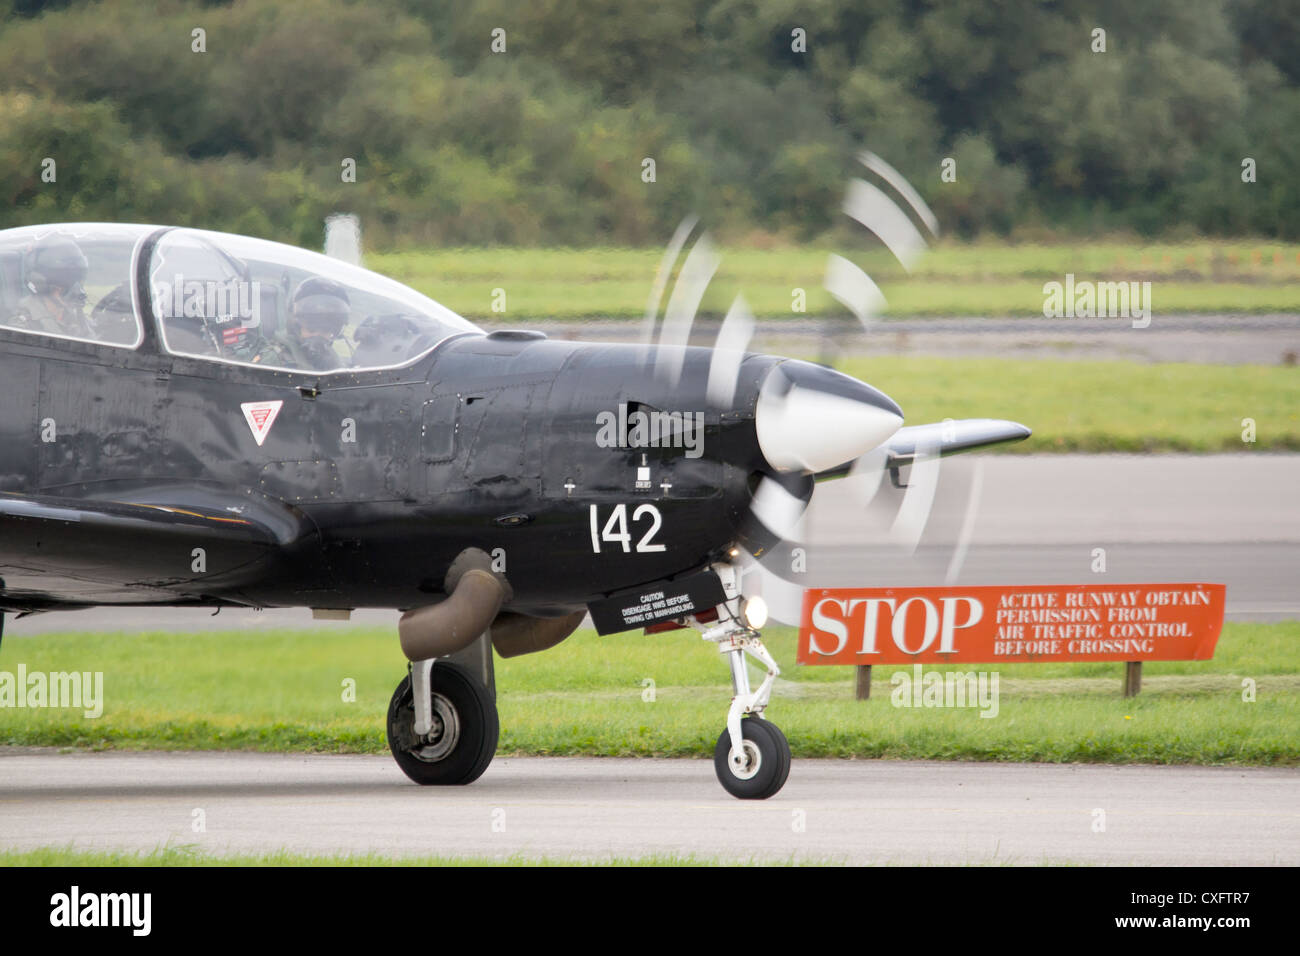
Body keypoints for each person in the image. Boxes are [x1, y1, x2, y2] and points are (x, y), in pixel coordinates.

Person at [9, 235, 94, 339]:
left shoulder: (79, 320)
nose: (76, 289)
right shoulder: (22, 328)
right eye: (67, 283)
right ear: (41, 284)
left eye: (78, 281)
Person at [270, 276, 350, 371]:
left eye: (326, 330)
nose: (318, 335)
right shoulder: (274, 359)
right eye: (312, 328)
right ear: (295, 326)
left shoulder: (334, 363)